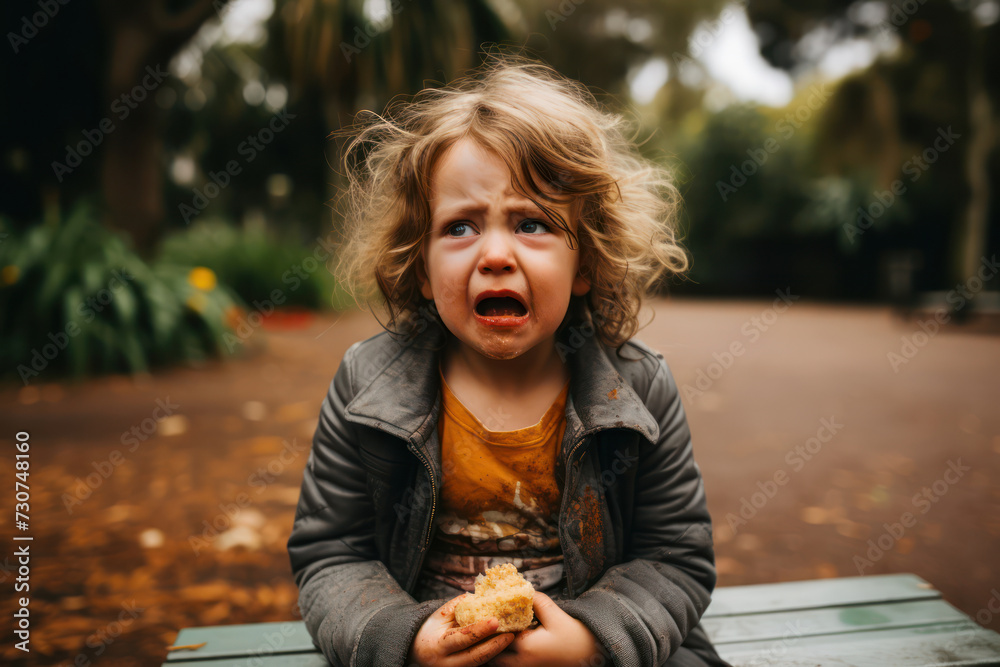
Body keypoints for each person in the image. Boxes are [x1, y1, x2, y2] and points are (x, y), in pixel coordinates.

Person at [287, 52, 729, 667]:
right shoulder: (367, 384)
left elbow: (673, 558)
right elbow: (332, 554)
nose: (495, 253)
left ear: (586, 265)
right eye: (461, 228)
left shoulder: (637, 386)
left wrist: (590, 642)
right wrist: (404, 640)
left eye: (531, 223)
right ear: (419, 267)